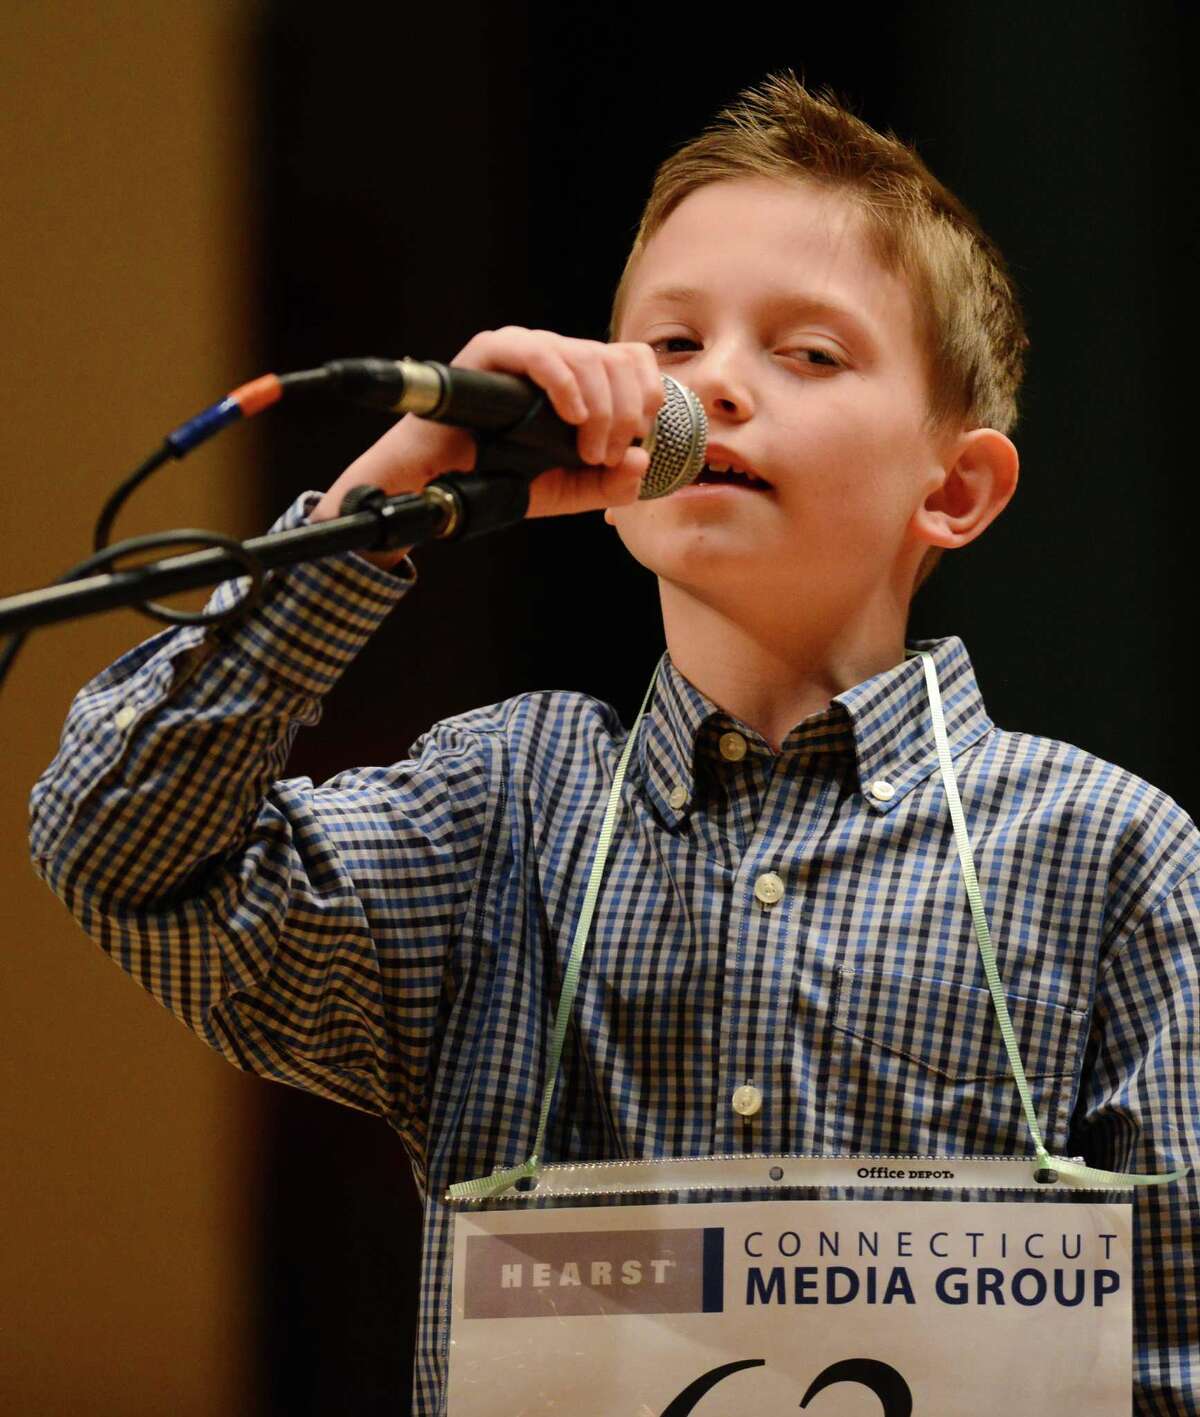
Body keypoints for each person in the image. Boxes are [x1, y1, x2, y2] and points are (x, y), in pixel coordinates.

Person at [29, 73, 1198, 1414]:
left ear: (957, 487)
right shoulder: (500, 807)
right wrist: (389, 485)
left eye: (810, 354)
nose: (719, 386)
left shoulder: (1110, 857)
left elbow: (1178, 1351)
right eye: (673, 345)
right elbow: (120, 851)